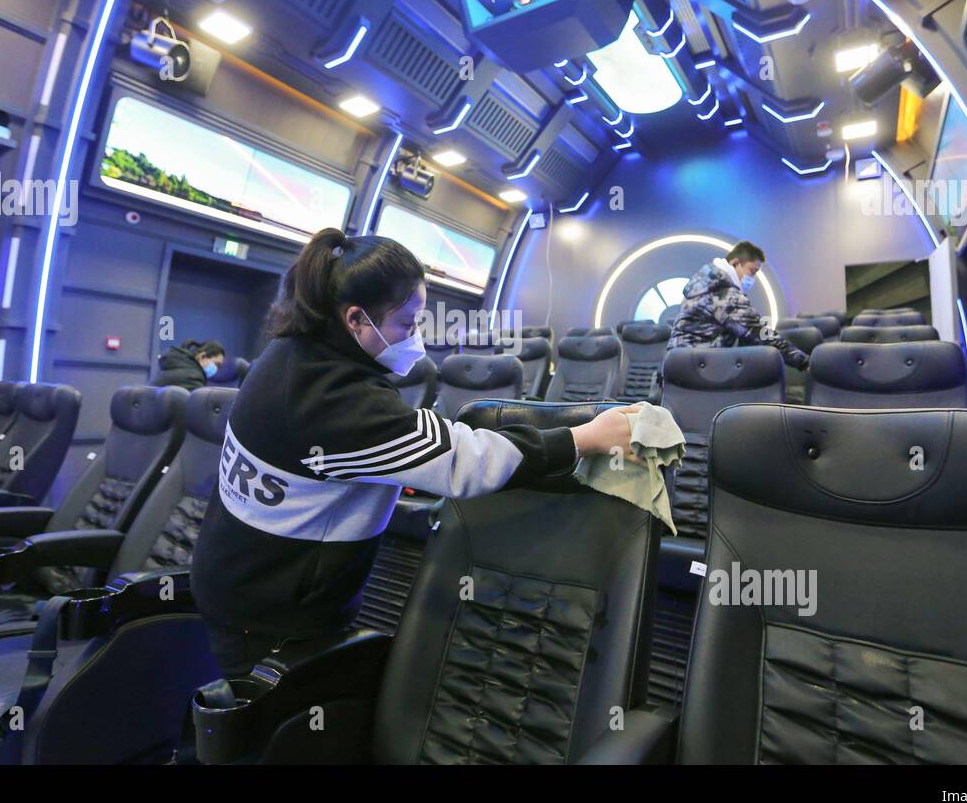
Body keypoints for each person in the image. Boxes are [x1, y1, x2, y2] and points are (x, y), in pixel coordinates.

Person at [190, 227, 636, 676]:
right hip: (270, 619)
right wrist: (584, 439)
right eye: (406, 325)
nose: (415, 337)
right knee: (274, 729)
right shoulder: (336, 404)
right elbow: (465, 461)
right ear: (356, 320)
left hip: (231, 581)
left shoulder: (289, 352)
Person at [667, 241, 809, 369]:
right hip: (701, 370)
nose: (752, 278)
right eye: (752, 271)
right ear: (735, 263)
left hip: (678, 367)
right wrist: (805, 362)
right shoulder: (726, 295)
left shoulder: (703, 286)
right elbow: (761, 335)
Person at [153, 339, 226, 390]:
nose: (216, 369)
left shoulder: (173, 365)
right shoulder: (194, 377)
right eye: (216, 364)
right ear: (202, 356)